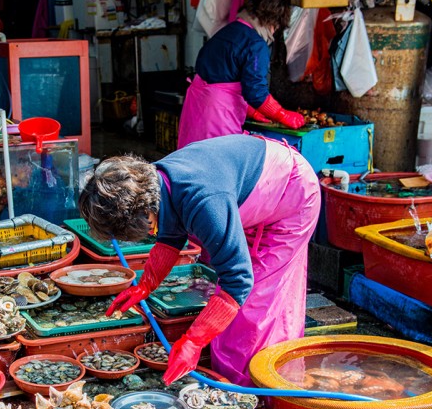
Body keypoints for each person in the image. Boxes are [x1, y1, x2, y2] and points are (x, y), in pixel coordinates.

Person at [78, 134, 320, 385]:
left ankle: (252, 390)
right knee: (235, 307)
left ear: (142, 210)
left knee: (253, 309)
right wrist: (146, 284)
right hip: (250, 196)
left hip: (292, 195)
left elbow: (238, 280)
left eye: (147, 229)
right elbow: (171, 230)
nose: (151, 233)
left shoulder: (203, 200)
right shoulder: (158, 185)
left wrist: (194, 341)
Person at [177, 0, 306, 149]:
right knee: (220, 165)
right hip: (218, 117)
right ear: (274, 22)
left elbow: (222, 76)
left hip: (196, 108)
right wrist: (282, 114)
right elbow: (256, 92)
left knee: (192, 162)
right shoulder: (255, 44)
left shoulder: (227, 32)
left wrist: (250, 111)